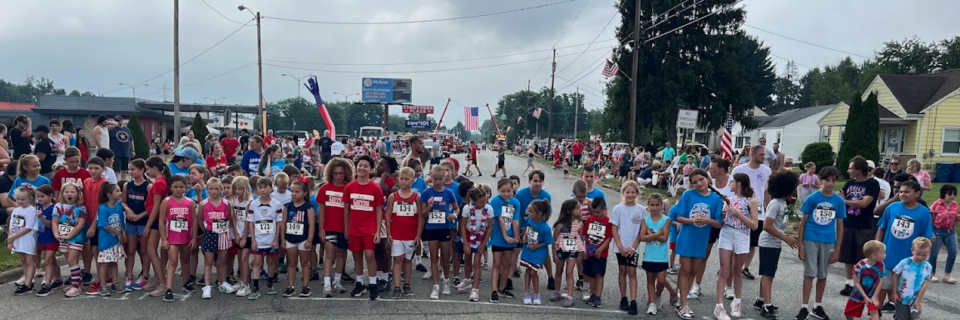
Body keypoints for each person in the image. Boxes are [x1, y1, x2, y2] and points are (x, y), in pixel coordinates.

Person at [669, 169, 725, 320]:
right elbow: (679, 217)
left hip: (702, 240)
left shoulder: (716, 199)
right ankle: (684, 304)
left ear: (707, 179)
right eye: (695, 182)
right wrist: (693, 220)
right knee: (685, 270)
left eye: (701, 179)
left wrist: (707, 220)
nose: (699, 183)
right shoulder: (688, 195)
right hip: (687, 238)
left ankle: (681, 298)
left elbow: (718, 223)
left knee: (693, 272)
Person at [795, 166, 846, 320]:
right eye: (827, 180)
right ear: (821, 180)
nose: (830, 183)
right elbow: (803, 222)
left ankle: (817, 305)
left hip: (828, 239)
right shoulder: (813, 198)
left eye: (833, 180)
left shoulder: (838, 201)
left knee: (822, 274)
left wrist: (838, 248)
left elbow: (840, 225)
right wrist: (800, 245)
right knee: (809, 273)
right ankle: (804, 306)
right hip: (811, 237)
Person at [875, 180, 934, 311]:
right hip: (889, 255)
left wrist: (921, 256)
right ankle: (876, 313)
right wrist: (878, 246)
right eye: (901, 191)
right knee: (883, 287)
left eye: (906, 192)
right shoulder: (892, 207)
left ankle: (901, 314)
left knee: (903, 290)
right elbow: (882, 227)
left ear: (917, 194)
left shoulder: (924, 212)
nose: (902, 194)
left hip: (908, 259)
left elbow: (926, 237)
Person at [755, 170, 800, 319]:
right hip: (768, 243)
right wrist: (785, 238)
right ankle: (766, 307)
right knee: (768, 274)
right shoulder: (775, 204)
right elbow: (767, 226)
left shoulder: (782, 203)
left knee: (769, 273)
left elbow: (779, 225)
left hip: (775, 243)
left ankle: (761, 300)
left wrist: (789, 235)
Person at [715, 173, 760, 320]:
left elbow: (754, 225)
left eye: (732, 181)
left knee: (737, 270)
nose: (730, 183)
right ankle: (719, 306)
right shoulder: (728, 199)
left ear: (739, 184)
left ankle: (737, 301)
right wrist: (723, 214)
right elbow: (722, 221)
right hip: (726, 233)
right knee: (724, 269)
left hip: (742, 235)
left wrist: (739, 214)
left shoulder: (751, 201)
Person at [344, 155, 384, 301]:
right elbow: (346, 210)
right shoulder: (349, 187)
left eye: (365, 166)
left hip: (369, 228)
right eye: (360, 165)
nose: (362, 168)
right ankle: (359, 283)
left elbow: (379, 210)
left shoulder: (375, 188)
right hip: (354, 228)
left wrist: (378, 231)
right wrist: (346, 229)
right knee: (356, 256)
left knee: (369, 255)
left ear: (371, 169)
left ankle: (373, 284)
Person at [840, 156, 881, 297]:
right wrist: (844, 200)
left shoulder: (872, 184)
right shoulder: (849, 183)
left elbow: (864, 203)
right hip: (848, 223)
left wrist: (845, 201)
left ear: (859, 169)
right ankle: (849, 283)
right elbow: (840, 196)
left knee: (862, 256)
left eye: (851, 168)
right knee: (848, 256)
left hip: (864, 225)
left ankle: (863, 283)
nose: (848, 170)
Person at [731, 145, 771, 281]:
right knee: (737, 238)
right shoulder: (739, 169)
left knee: (753, 242)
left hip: (758, 210)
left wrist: (767, 208)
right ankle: (732, 264)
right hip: (740, 208)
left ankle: (745, 267)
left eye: (764, 154)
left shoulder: (766, 170)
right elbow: (732, 189)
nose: (764, 157)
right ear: (753, 155)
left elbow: (767, 192)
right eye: (761, 155)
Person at [609, 181, 647, 314]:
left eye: (633, 192)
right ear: (623, 193)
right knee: (622, 270)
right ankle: (623, 297)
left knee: (632, 272)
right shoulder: (618, 209)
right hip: (621, 247)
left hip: (633, 247)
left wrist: (634, 247)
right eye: (627, 192)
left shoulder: (641, 210)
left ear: (637, 193)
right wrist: (620, 246)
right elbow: (614, 228)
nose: (630, 195)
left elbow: (642, 231)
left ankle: (633, 300)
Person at [318, 158, 353, 297]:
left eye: (341, 173)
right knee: (329, 254)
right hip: (329, 227)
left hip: (344, 228)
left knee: (342, 254)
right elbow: (321, 209)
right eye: (335, 173)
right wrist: (321, 228)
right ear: (330, 174)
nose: (338, 176)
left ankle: (337, 281)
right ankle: (327, 282)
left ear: (346, 174)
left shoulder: (348, 188)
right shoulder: (325, 188)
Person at [386, 167, 423, 299]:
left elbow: (420, 217)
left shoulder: (417, 197)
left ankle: (407, 284)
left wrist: (418, 235)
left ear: (413, 180)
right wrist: (389, 233)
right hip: (396, 234)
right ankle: (397, 287)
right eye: (401, 178)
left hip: (411, 234)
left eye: (406, 179)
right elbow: (388, 215)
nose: (403, 181)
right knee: (397, 259)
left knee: (408, 260)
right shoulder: (393, 196)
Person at [159, 176, 196, 302]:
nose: (179, 189)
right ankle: (168, 289)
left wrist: (194, 238)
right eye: (175, 187)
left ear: (185, 187)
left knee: (185, 260)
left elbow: (194, 221)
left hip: (185, 237)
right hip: (172, 237)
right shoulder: (166, 201)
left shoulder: (190, 202)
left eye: (181, 187)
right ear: (170, 188)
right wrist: (163, 239)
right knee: (173, 262)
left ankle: (186, 282)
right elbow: (161, 221)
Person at [639, 193, 677, 315]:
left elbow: (664, 238)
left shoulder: (666, 220)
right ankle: (652, 303)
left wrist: (651, 235)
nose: (654, 208)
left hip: (661, 256)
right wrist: (656, 234)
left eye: (657, 205)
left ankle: (658, 295)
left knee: (661, 280)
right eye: (652, 205)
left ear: (661, 206)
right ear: (648, 206)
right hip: (649, 255)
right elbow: (642, 237)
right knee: (650, 279)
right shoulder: (645, 220)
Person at [246, 176, 283, 300]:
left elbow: (279, 223)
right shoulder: (253, 204)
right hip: (259, 240)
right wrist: (253, 240)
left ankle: (270, 284)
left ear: (271, 188)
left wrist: (276, 239)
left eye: (265, 187)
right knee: (257, 262)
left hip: (271, 240)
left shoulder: (277, 204)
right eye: (260, 187)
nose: (262, 190)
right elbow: (251, 222)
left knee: (271, 262)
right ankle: (255, 288)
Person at [282, 178, 315, 297]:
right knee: (291, 263)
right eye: (292, 191)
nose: (294, 194)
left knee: (305, 262)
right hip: (290, 238)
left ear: (304, 193)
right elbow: (283, 223)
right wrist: (283, 239)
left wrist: (310, 240)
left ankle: (305, 287)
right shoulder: (287, 207)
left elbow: (311, 225)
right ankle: (290, 286)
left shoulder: (308, 207)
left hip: (303, 239)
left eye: (297, 192)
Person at [53, 182, 87, 297]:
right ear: (62, 193)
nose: (69, 194)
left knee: (72, 260)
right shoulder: (57, 207)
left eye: (72, 192)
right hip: (62, 237)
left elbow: (81, 224)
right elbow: (54, 222)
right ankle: (77, 283)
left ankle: (75, 287)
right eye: (66, 192)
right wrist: (56, 234)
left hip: (76, 238)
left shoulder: (81, 208)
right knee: (70, 261)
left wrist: (70, 235)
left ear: (78, 194)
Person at [143, 156, 171, 297]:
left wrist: (148, 225)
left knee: (151, 250)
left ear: (155, 168)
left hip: (155, 218)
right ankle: (157, 279)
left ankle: (163, 283)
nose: (147, 172)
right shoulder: (160, 181)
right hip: (156, 218)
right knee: (153, 250)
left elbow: (156, 206)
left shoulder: (159, 183)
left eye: (148, 169)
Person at [550, 199, 585, 307]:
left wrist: (580, 252)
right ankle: (557, 291)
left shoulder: (580, 224)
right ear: (569, 211)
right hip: (561, 250)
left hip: (573, 251)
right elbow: (554, 240)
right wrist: (554, 253)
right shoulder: (560, 225)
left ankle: (570, 296)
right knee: (558, 271)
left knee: (569, 272)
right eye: (577, 208)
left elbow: (580, 239)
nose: (580, 210)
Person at [122, 159, 151, 291]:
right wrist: (128, 210)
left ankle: (145, 276)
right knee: (130, 250)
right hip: (131, 222)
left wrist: (140, 215)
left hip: (143, 222)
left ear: (141, 170)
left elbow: (151, 206)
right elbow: (123, 202)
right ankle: (129, 276)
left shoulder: (148, 186)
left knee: (144, 250)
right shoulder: (127, 185)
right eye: (129, 169)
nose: (130, 172)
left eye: (133, 169)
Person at [889, 237, 933, 320]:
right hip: (901, 297)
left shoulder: (928, 267)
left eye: (924, 255)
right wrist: (893, 293)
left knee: (915, 317)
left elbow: (924, 284)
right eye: (918, 254)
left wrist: (918, 300)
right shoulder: (905, 262)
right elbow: (895, 276)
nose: (920, 257)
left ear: (929, 252)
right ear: (912, 250)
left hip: (915, 298)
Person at [520, 199, 552, 306]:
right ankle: (527, 293)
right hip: (528, 249)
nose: (529, 213)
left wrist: (536, 246)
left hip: (538, 252)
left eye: (531, 211)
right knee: (528, 271)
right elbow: (527, 228)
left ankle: (537, 294)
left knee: (533, 272)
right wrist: (524, 236)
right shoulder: (530, 220)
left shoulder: (545, 228)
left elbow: (547, 242)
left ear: (539, 214)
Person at [843, 240, 887, 320]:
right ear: (873, 256)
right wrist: (865, 297)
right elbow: (856, 283)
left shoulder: (881, 265)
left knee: (874, 311)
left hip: (872, 293)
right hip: (858, 294)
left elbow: (881, 281)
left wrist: (875, 296)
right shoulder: (859, 266)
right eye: (883, 253)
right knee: (848, 313)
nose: (885, 255)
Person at [8, 187, 39, 295]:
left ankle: (28, 284)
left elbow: (28, 227)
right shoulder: (16, 210)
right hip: (17, 238)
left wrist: (14, 236)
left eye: (23, 199)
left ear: (30, 199)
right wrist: (11, 238)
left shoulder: (31, 210)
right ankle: (27, 279)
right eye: (18, 199)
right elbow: (12, 225)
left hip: (28, 238)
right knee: (23, 261)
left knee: (29, 261)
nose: (20, 201)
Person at [96, 183, 126, 295]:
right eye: (117, 191)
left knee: (114, 262)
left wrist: (123, 233)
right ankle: (103, 285)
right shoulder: (102, 208)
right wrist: (118, 233)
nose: (120, 193)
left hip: (116, 241)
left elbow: (121, 223)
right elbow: (104, 225)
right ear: (109, 194)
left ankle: (115, 283)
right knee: (104, 263)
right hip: (106, 240)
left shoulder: (118, 208)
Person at [34, 185, 61, 297]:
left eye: (42, 196)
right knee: (52, 260)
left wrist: (41, 217)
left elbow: (50, 224)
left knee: (48, 260)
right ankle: (58, 279)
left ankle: (48, 284)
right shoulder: (39, 207)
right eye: (38, 196)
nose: (40, 199)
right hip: (42, 236)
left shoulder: (53, 208)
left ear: (50, 196)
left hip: (51, 237)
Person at [229, 177, 253, 297]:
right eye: (235, 189)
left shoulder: (250, 201)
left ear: (245, 188)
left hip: (248, 234)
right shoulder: (234, 200)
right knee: (240, 259)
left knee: (244, 258)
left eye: (240, 189)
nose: (237, 191)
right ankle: (243, 281)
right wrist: (237, 234)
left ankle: (246, 284)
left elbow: (249, 219)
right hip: (238, 232)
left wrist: (244, 236)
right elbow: (233, 217)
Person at [929, 184, 957, 284]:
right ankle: (932, 273)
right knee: (934, 253)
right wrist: (931, 232)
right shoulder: (936, 204)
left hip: (950, 231)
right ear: (944, 194)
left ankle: (947, 275)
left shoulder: (955, 205)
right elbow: (930, 219)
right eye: (950, 194)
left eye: (954, 194)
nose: (952, 196)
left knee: (953, 251)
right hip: (937, 230)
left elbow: (955, 217)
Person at [109, 115, 134, 181]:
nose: (119, 122)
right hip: (116, 153)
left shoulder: (126, 129)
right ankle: (116, 181)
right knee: (117, 169)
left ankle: (123, 181)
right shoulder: (111, 129)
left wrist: (133, 150)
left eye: (120, 121)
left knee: (125, 169)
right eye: (117, 121)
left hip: (126, 153)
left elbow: (131, 140)